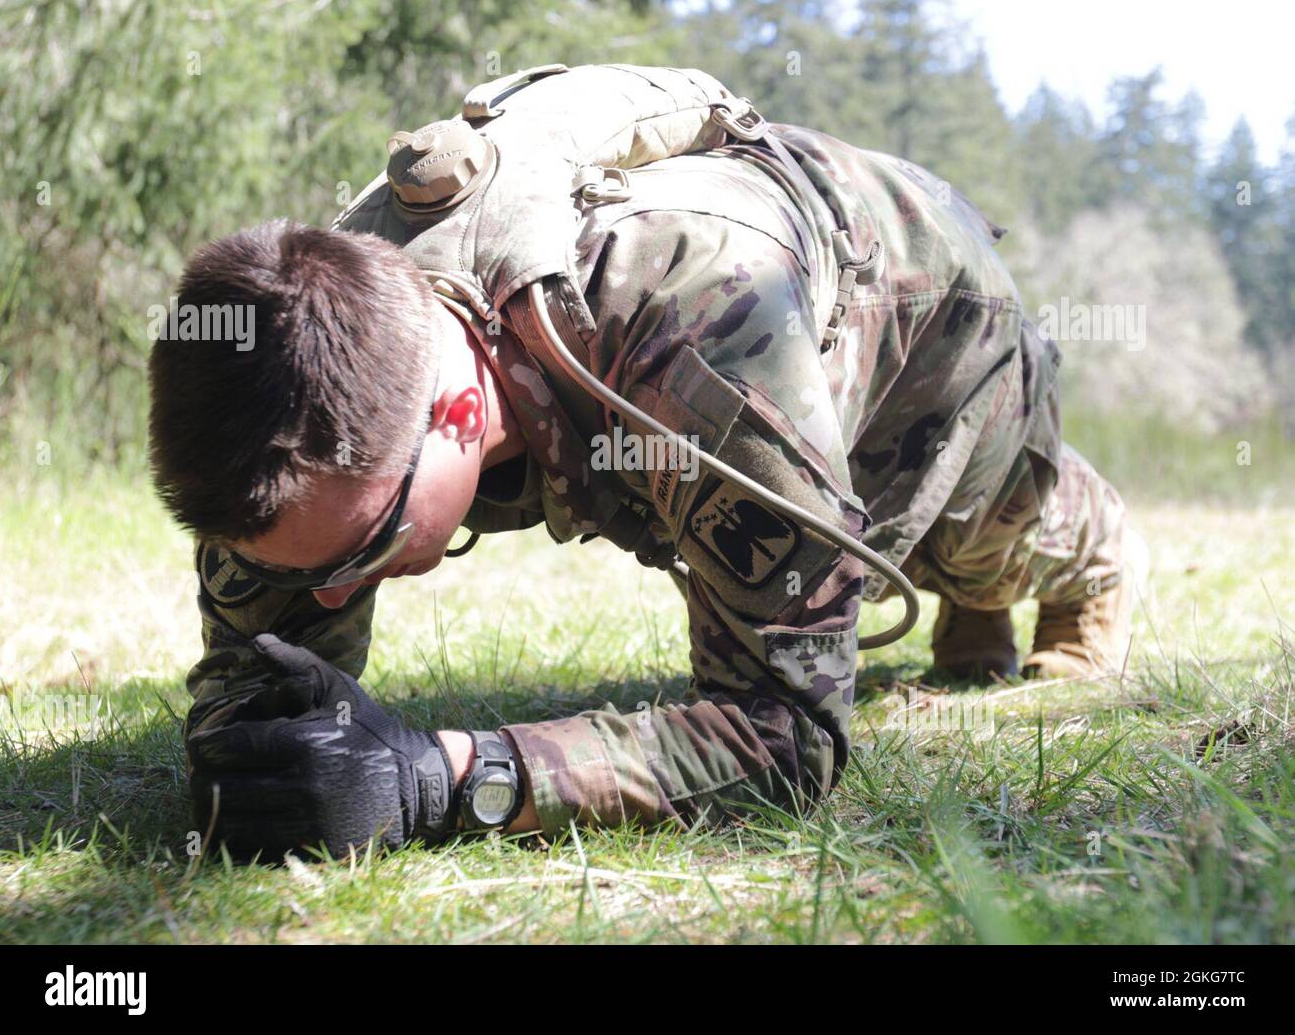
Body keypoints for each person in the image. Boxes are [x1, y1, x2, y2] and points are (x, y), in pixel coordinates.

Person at [148, 65, 1143, 857]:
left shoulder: (701, 342)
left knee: (967, 544)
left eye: (360, 552)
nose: (330, 598)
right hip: (651, 336)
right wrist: (255, 743)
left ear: (456, 411)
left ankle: (1083, 553)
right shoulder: (304, 365)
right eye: (306, 570)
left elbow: (784, 739)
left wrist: (446, 777)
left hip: (922, 304)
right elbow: (271, 624)